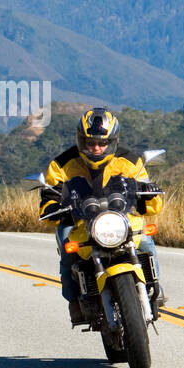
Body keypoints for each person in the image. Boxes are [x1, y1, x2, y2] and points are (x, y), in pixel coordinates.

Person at [40, 108, 165, 324]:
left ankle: (155, 285)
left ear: (112, 141)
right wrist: (52, 207)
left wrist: (150, 190)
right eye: (90, 143)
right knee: (68, 247)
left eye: (102, 143)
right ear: (81, 141)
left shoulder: (130, 161)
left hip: (121, 220)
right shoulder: (61, 165)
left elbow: (151, 204)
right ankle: (74, 301)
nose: (96, 148)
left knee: (145, 241)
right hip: (82, 223)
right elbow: (49, 197)